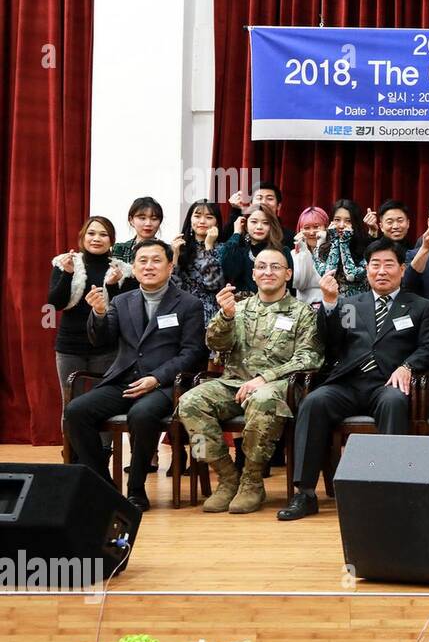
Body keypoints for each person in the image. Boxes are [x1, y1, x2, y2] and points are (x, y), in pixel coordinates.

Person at [279, 239, 429, 520]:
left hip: (387, 383)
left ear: (402, 269)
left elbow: (428, 348)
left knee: (394, 402)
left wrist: (407, 366)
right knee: (314, 402)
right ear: (367, 271)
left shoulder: (420, 306)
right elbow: (330, 342)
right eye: (375, 265)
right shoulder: (351, 305)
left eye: (389, 264)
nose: (382, 271)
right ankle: (304, 493)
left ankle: (390, 490)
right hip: (348, 382)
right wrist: (329, 305)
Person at [63, 240, 207, 511]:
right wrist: (99, 313)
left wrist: (156, 378)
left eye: (156, 260)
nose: (149, 266)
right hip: (124, 380)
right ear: (135, 266)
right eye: (143, 261)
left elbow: (192, 353)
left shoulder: (189, 304)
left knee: (141, 415)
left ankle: (136, 489)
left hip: (164, 386)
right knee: (76, 411)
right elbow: (101, 340)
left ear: (169, 265)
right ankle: (103, 485)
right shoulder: (121, 300)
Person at [177, 249, 322, 514]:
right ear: (253, 274)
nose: (268, 272)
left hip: (278, 385)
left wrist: (264, 378)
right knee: (189, 402)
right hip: (232, 382)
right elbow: (214, 344)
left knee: (263, 398)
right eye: (262, 267)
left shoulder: (302, 312)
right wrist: (226, 317)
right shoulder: (238, 308)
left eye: (276, 267)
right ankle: (226, 476)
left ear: (288, 274)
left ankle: (252, 481)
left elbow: (310, 357)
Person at [49, 216, 132, 405]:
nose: (96, 238)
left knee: (103, 405)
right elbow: (55, 304)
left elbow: (124, 311)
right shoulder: (65, 263)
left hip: (107, 348)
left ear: (111, 240)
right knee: (71, 405)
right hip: (70, 347)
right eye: (91, 233)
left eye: (103, 234)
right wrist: (68, 274)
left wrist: (111, 286)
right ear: (82, 237)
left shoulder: (122, 270)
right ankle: (70, 437)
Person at [219, 205, 294, 296]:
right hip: (242, 306)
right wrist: (236, 233)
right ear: (245, 225)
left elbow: (288, 285)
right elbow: (228, 271)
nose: (259, 227)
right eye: (254, 222)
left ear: (271, 226)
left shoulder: (282, 252)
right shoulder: (240, 251)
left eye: (265, 223)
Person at [171, 200, 226, 323]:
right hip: (181, 312)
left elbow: (213, 284)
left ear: (216, 222)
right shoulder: (179, 246)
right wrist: (175, 255)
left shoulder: (223, 248)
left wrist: (208, 246)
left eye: (209, 217)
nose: (202, 221)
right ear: (190, 220)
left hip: (209, 315)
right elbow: (173, 287)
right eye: (197, 216)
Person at [312, 199, 372, 298]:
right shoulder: (321, 248)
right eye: (337, 220)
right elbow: (328, 274)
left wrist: (344, 243)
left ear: (355, 223)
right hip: (333, 304)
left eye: (348, 221)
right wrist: (335, 240)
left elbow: (351, 275)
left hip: (360, 304)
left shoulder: (367, 247)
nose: (341, 225)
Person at [111, 196, 164, 270]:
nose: (148, 223)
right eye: (142, 218)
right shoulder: (120, 249)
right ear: (131, 220)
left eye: (154, 219)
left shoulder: (167, 250)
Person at [291, 207, 330, 306]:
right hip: (303, 309)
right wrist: (304, 253)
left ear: (326, 227)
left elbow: (328, 279)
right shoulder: (294, 254)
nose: (312, 232)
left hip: (329, 305)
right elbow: (300, 284)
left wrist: (320, 246)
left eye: (316, 227)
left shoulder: (334, 252)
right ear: (300, 230)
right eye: (307, 228)